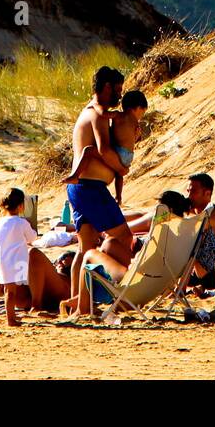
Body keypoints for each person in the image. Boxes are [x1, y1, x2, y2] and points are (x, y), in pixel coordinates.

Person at [65, 66, 134, 314]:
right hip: (91, 188)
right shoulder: (97, 114)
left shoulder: (87, 112)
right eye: (117, 90)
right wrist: (121, 168)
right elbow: (104, 150)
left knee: (85, 249)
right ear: (106, 87)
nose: (119, 95)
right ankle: (120, 292)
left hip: (79, 189)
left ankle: (79, 303)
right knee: (124, 237)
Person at [0, 187, 65, 326]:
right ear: (21, 206)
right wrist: (31, 226)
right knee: (11, 291)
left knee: (8, 289)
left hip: (0, 259)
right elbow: (32, 238)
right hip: (15, 261)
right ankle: (11, 319)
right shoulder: (21, 223)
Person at [63, 89, 146, 205]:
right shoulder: (136, 125)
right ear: (138, 108)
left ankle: (75, 175)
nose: (141, 116)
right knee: (119, 175)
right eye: (143, 113)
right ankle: (119, 196)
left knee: (88, 150)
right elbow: (132, 140)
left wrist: (95, 106)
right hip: (128, 156)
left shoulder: (118, 115)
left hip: (119, 153)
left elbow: (103, 114)